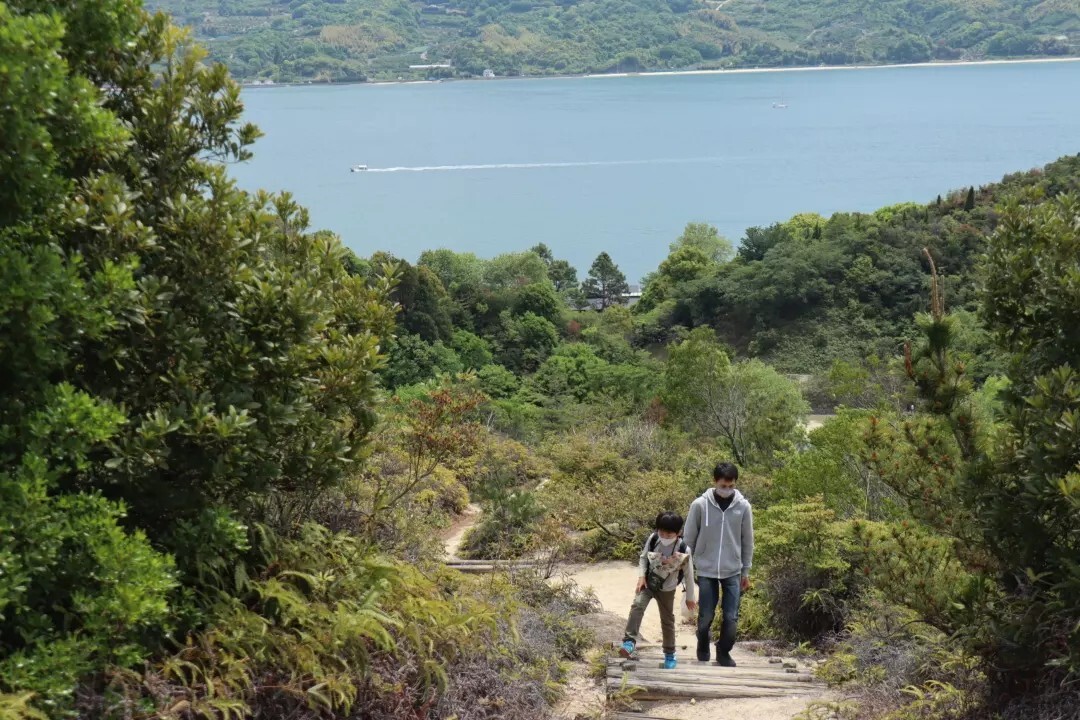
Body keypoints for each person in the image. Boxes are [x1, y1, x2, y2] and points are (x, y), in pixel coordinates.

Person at [683, 461, 754, 667]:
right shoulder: (699, 505)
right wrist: (686, 568)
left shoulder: (743, 507)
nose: (727, 490)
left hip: (733, 570)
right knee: (706, 615)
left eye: (731, 486)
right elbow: (689, 539)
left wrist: (746, 571)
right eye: (723, 486)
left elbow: (747, 541)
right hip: (705, 569)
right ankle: (702, 641)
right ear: (715, 482)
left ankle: (723, 651)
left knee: (731, 617)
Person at [619, 511, 698, 669]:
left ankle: (669, 654)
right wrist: (641, 577)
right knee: (637, 606)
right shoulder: (653, 538)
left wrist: (690, 597)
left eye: (669, 534)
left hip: (667, 589)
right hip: (648, 583)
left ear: (678, 533)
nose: (664, 536)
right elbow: (643, 557)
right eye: (661, 532)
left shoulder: (684, 549)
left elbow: (689, 575)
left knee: (667, 620)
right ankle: (629, 642)